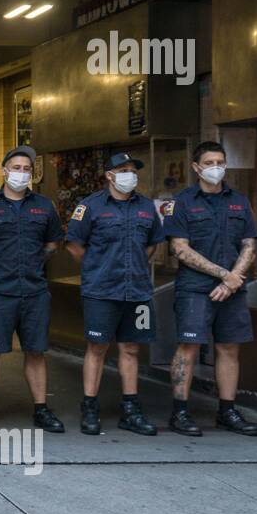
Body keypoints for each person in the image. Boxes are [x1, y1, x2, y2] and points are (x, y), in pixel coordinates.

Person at [0, 146, 66, 433]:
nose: (21, 173)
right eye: (16, 168)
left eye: (26, 169)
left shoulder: (44, 206)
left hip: (34, 292)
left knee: (35, 351)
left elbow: (53, 242)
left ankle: (41, 409)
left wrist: (35, 263)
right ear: (4, 171)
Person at [161, 141, 257, 436]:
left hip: (233, 289)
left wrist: (233, 279)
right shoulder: (181, 203)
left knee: (229, 347)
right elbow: (180, 249)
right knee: (189, 346)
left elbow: (249, 244)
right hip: (195, 288)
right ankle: (180, 412)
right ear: (196, 167)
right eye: (209, 163)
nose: (215, 168)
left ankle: (227, 411)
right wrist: (225, 276)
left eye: (220, 162)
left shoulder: (239, 201)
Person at [64, 152, 165, 436]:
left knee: (131, 348)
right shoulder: (90, 207)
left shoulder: (146, 207)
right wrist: (98, 267)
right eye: (123, 170)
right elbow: (74, 244)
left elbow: (153, 243)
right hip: (101, 291)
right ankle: (90, 407)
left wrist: (134, 266)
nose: (129, 175)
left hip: (138, 291)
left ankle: (130, 410)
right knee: (97, 347)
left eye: (133, 170)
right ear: (109, 175)